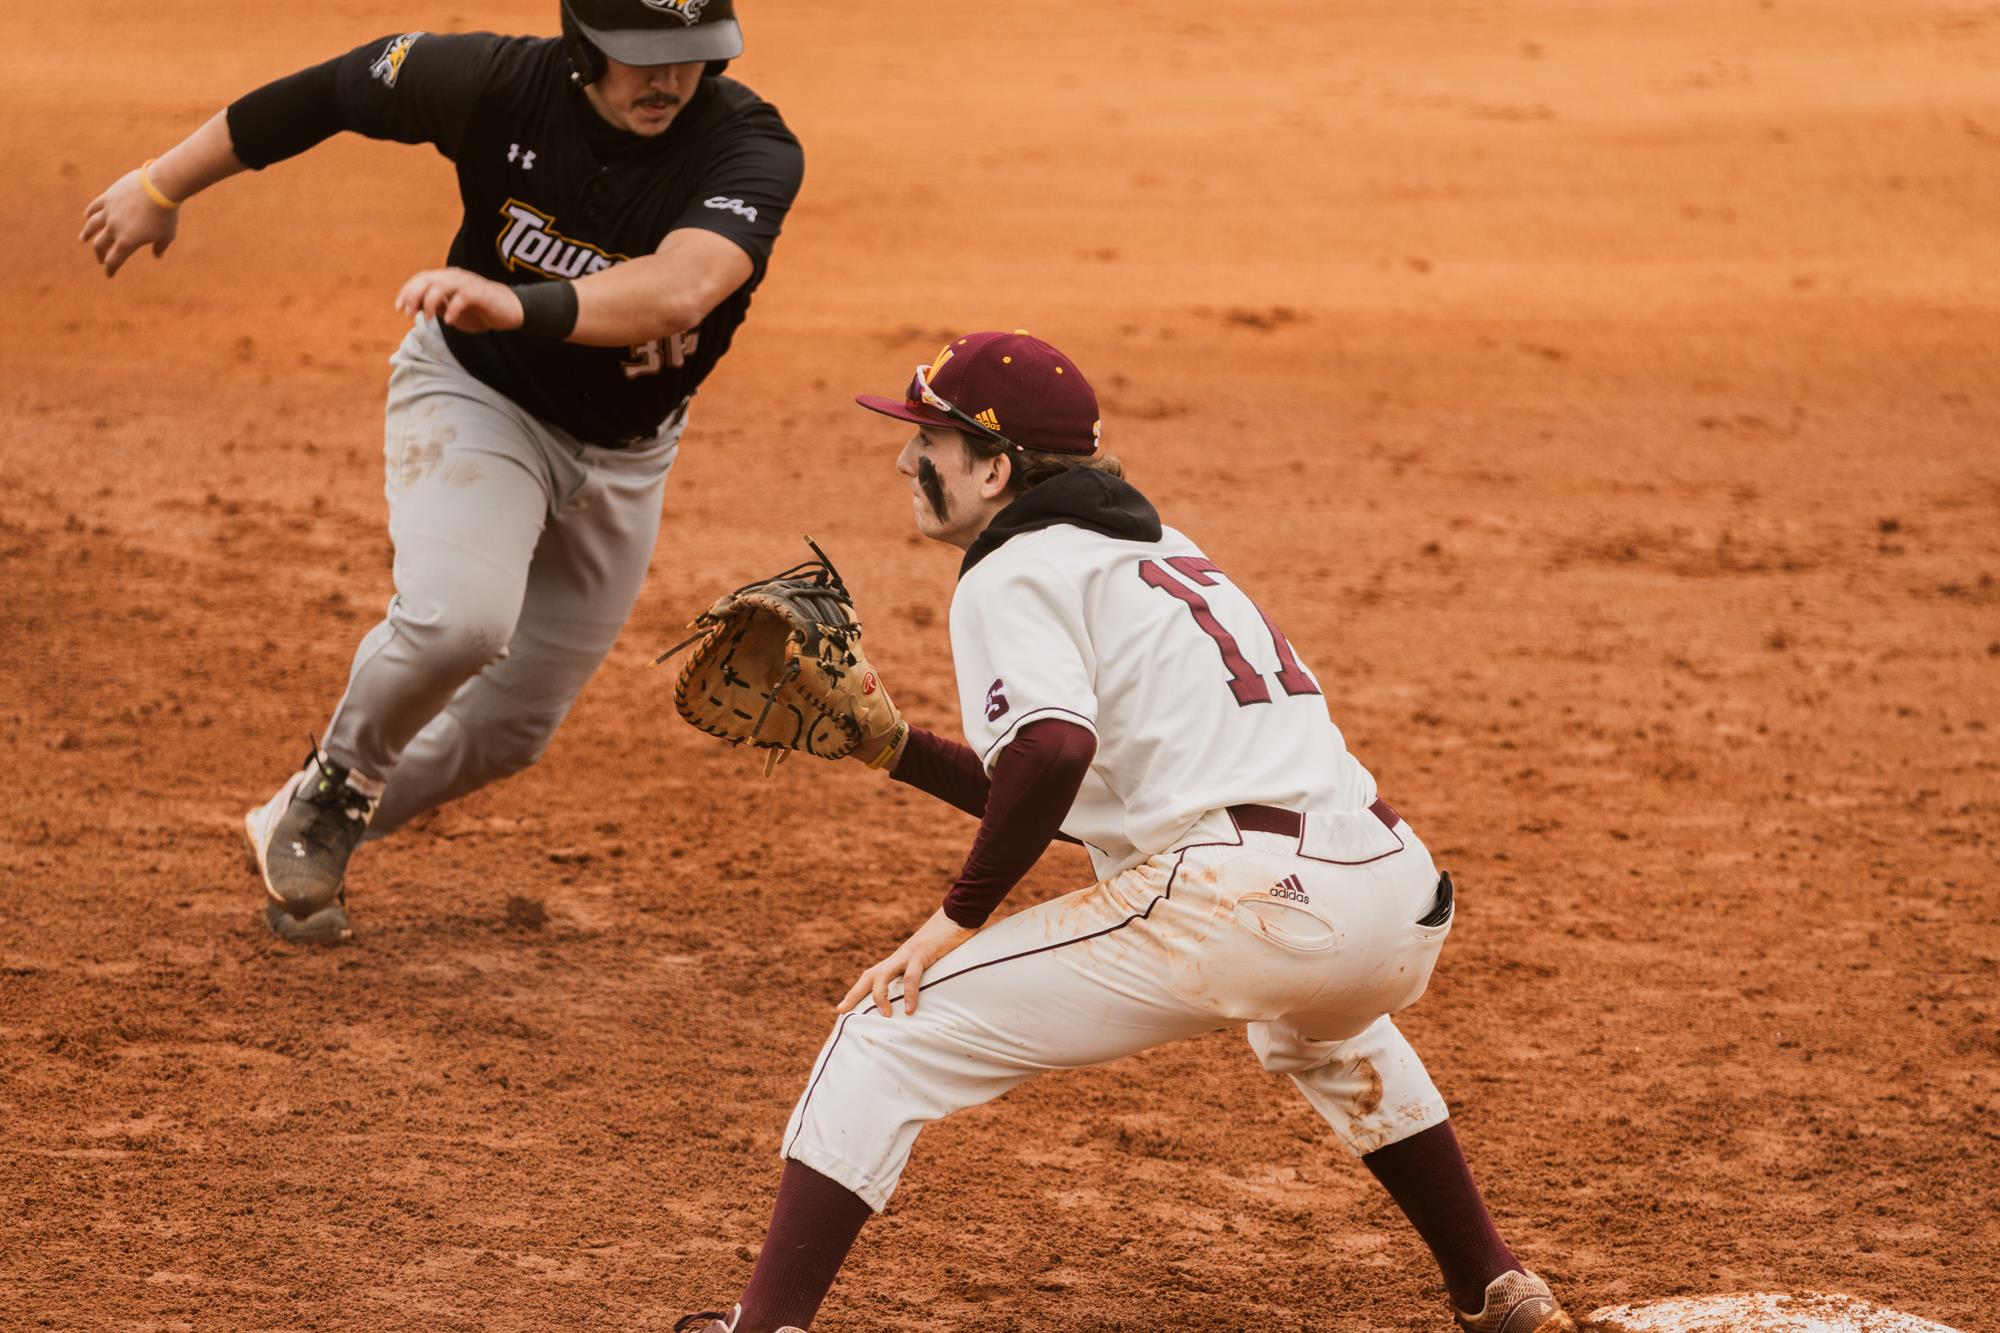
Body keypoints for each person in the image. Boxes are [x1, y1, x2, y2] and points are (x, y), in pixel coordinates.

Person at [674, 332, 1578, 1333]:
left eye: (926, 439)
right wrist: (893, 750)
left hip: (1247, 905)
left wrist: (953, 919)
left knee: (884, 1031)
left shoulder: (1006, 570)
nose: (904, 461)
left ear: (993, 467)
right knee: (1326, 1025)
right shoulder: (1160, 548)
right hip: (1390, 894)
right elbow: (1081, 780)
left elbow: (1053, 754)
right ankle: (1493, 1284)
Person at [79, 1, 804, 943]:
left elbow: (684, 287)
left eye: (693, 58)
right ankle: (340, 778)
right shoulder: (493, 81)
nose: (669, 80)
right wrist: (161, 185)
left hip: (630, 452)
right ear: (584, 45)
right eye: (642, 59)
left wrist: (516, 300)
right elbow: (330, 91)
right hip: (479, 399)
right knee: (460, 618)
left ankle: (296, 817)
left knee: (513, 730)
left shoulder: (747, 144)